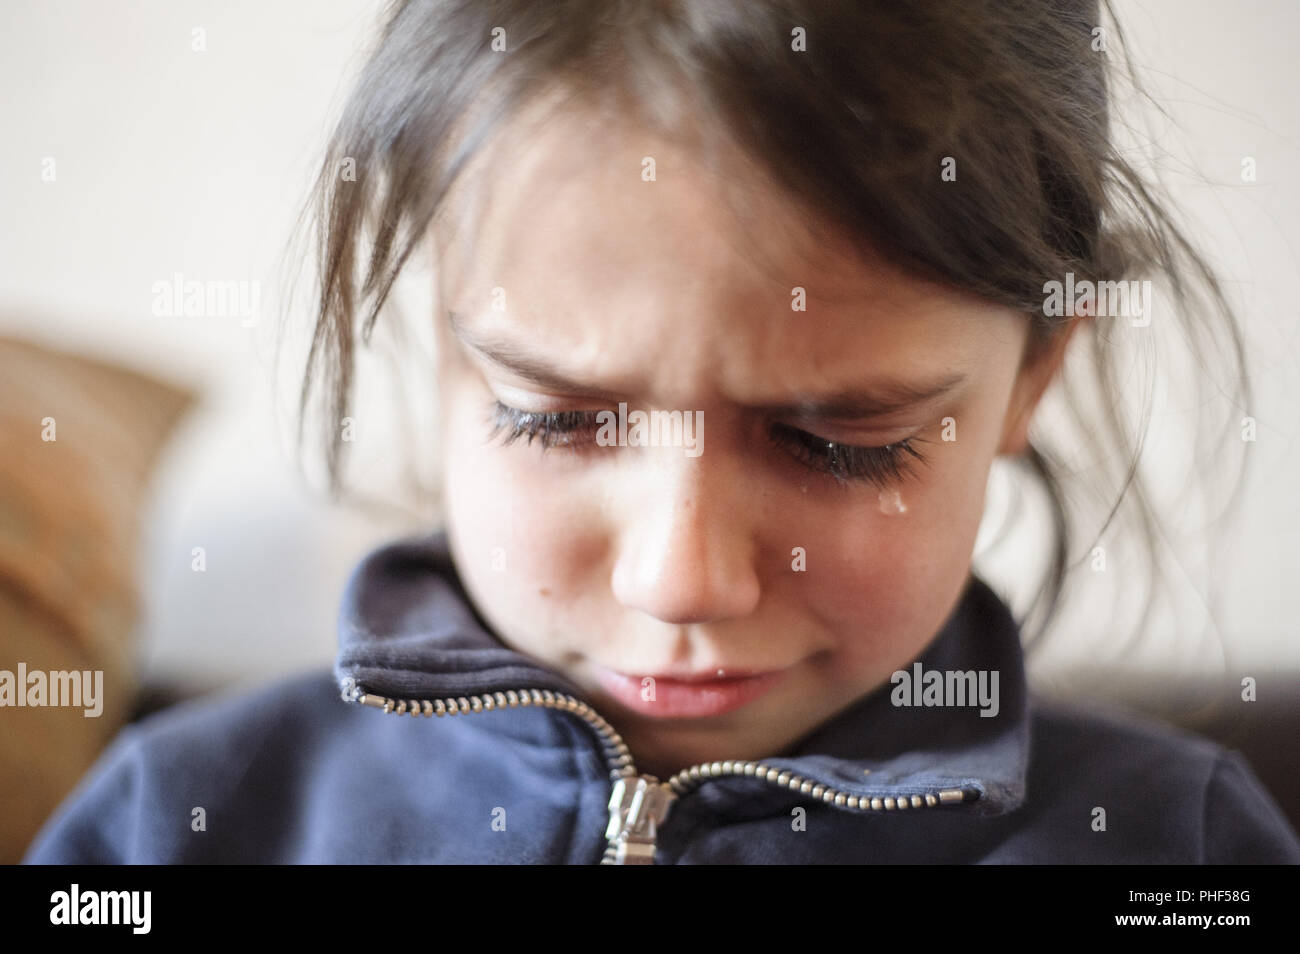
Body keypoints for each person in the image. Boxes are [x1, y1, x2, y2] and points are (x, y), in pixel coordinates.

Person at [25, 0, 1300, 864]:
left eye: (837, 441)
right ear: (445, 348)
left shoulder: (1166, 847)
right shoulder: (178, 825)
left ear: (1031, 378)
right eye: (554, 419)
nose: (679, 577)